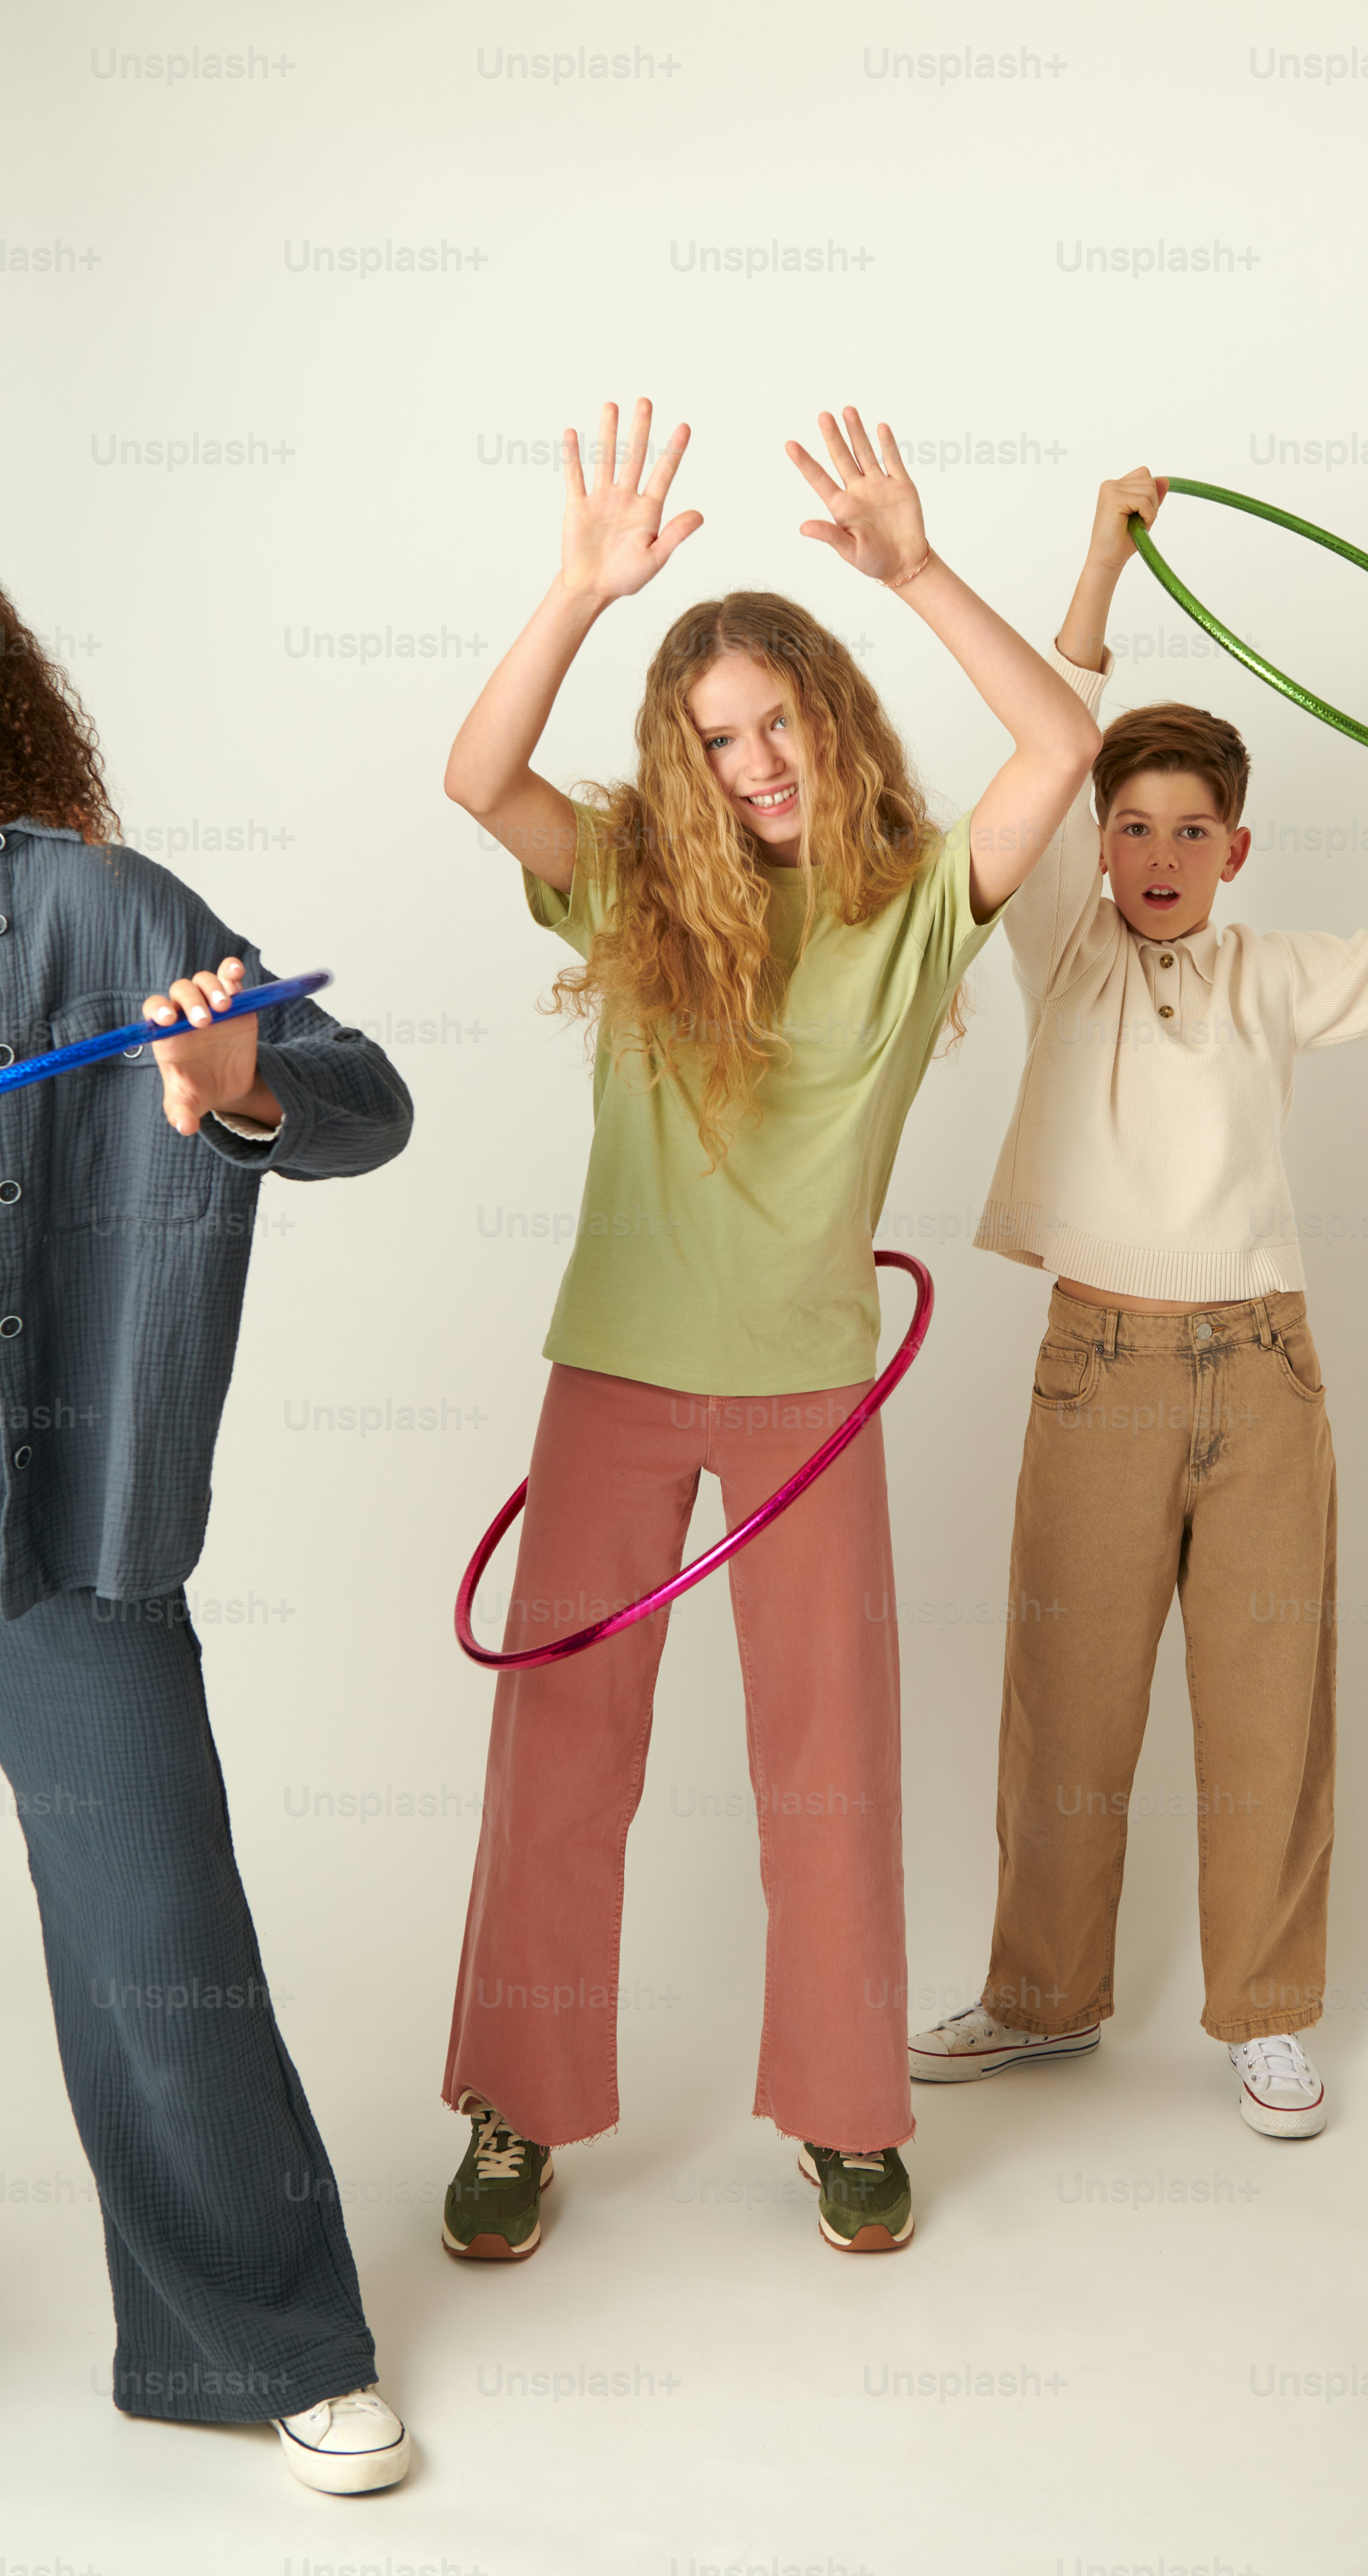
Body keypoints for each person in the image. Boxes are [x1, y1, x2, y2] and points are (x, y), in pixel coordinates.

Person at [437, 397, 1100, 2258]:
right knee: (564, 1744)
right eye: (714, 741)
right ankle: (519, 2105)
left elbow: (1061, 741)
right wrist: (576, 592)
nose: (749, 766)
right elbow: (477, 778)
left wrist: (916, 567)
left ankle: (841, 2108)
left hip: (811, 1387)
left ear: (828, 709)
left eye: (772, 723)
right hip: (620, 1373)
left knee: (826, 1755)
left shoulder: (913, 908)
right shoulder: (639, 879)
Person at [907, 470, 1368, 2136]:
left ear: (1236, 846)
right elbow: (1053, 746)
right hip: (1098, 1365)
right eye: (1133, 826)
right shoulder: (1058, 936)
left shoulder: (1274, 972)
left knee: (1272, 1697)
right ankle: (1041, 1994)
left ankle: (1265, 2012)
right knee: (1069, 1692)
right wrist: (1099, 563)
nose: (1152, 853)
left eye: (1187, 829)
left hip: (1266, 1372)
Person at [0, 589, 415, 2491]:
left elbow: (363, 1098)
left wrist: (239, 1088)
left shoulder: (104, 911)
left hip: (65, 1529)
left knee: (154, 1933)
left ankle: (253, 2329)